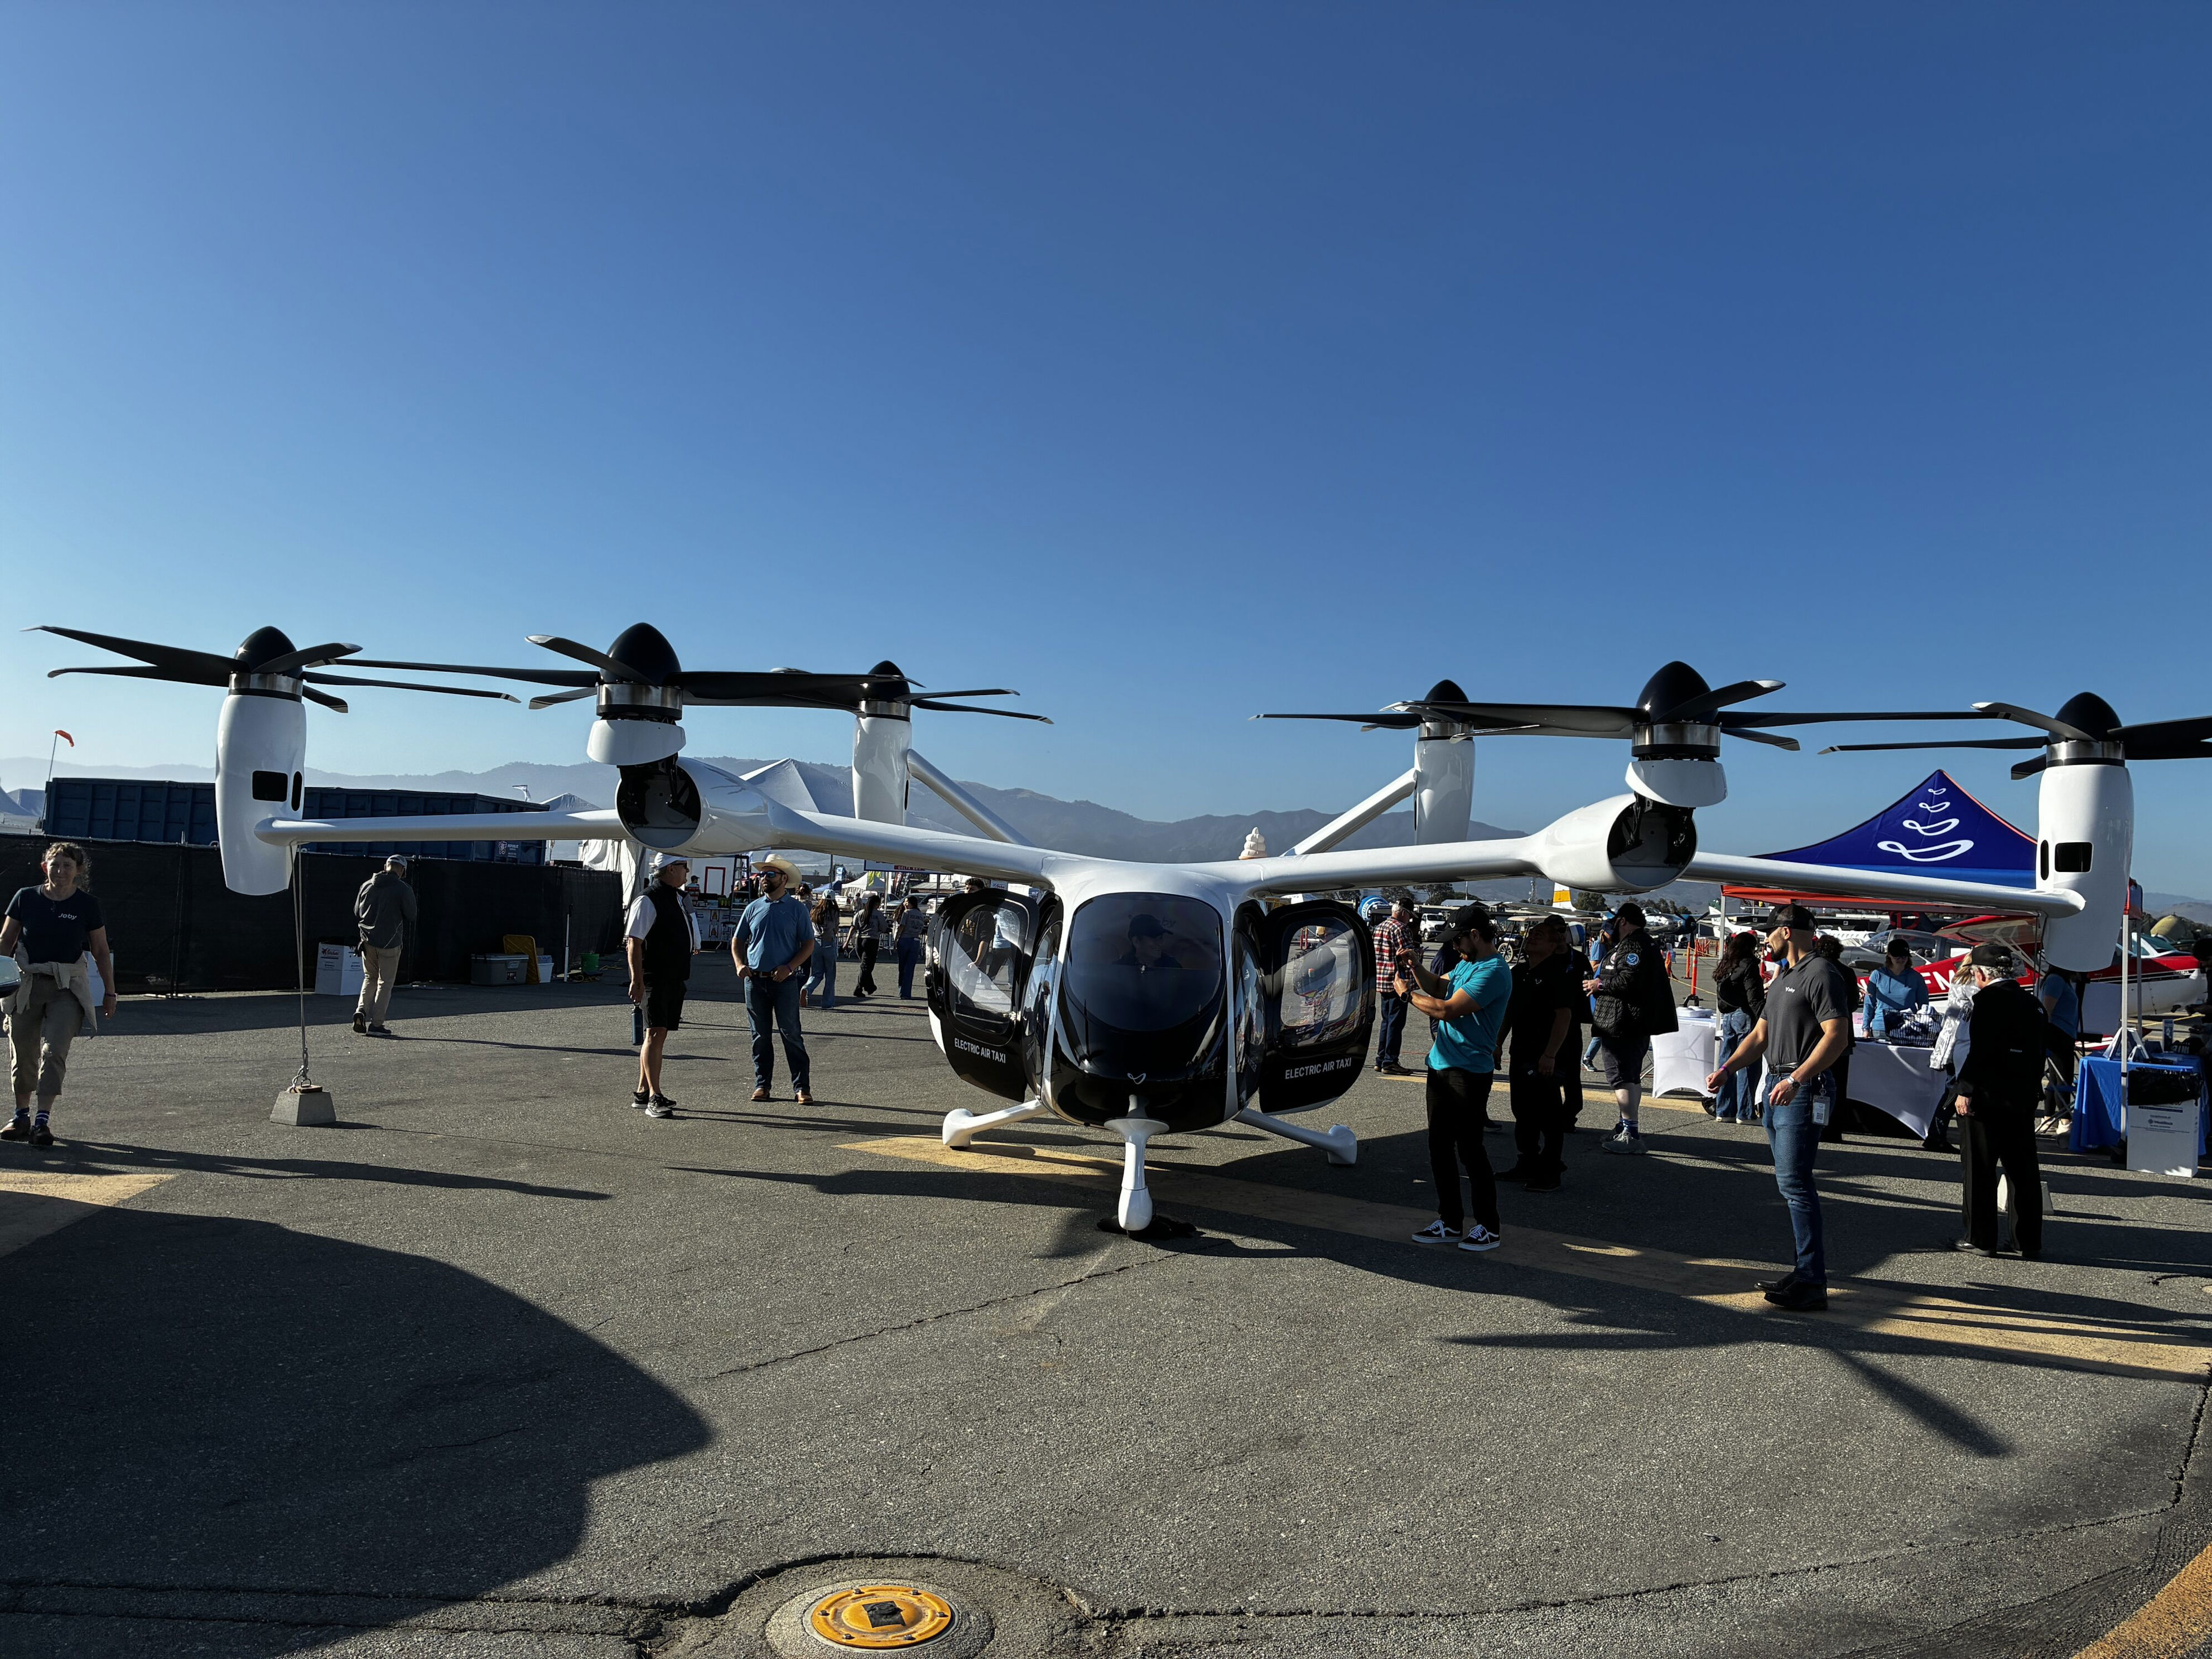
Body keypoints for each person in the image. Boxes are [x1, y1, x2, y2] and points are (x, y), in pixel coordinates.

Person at [1705, 904, 1852, 1313]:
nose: (1765, 938)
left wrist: (1796, 1079)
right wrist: (1728, 1068)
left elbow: (1836, 1036)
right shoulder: (1785, 975)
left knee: (1795, 1186)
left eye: (1770, 931)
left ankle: (1811, 1280)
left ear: (1787, 932)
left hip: (1799, 1088)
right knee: (1791, 1186)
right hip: (1779, 1084)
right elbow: (1761, 1033)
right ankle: (1803, 1271)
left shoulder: (1821, 972)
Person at [1397, 904, 1512, 1252]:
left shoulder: (1493, 971)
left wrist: (1406, 994)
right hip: (1441, 1064)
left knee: (1470, 1149)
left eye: (1458, 940)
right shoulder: (1467, 962)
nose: (1454, 947)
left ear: (1475, 935)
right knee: (1440, 1147)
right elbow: (1440, 987)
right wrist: (1416, 968)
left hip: (1468, 1072)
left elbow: (1446, 1009)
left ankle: (1488, 1227)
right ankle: (1449, 1221)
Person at [1, 842, 115, 1148]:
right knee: (23, 1051)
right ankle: (21, 1116)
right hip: (27, 984)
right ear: (44, 867)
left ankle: (42, 1121)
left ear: (78, 871)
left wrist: (110, 993)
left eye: (68, 865)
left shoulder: (87, 905)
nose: (61, 870)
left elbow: (101, 951)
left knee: (54, 1052)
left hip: (67, 988)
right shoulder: (26, 898)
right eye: (55, 864)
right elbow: (5, 941)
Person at [1950, 942, 2047, 1257]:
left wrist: (1964, 1089)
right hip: (2021, 1097)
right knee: (2023, 1170)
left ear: (1980, 974)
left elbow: (1979, 1051)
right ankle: (2027, 1241)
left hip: (1987, 1096)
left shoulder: (1986, 1002)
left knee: (1980, 1168)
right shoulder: (2034, 1005)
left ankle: (1980, 1238)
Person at [1583, 903, 1676, 1154]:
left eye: (1615, 921)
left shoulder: (1634, 945)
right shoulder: (1641, 943)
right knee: (1630, 1076)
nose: (1612, 925)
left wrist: (1599, 984)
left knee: (1622, 1076)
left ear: (1623, 921)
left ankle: (1631, 1133)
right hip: (1630, 1021)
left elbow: (1629, 980)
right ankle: (1626, 1126)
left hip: (1623, 1023)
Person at [1501, 914, 1579, 1191]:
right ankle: (1527, 1162)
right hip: (1520, 1053)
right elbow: (1509, 1012)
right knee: (1522, 1111)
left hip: (1546, 1056)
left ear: (1553, 944)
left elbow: (1564, 1017)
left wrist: (1550, 1055)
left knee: (1548, 1114)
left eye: (1540, 935)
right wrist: (1498, 1043)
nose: (1532, 937)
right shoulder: (1519, 973)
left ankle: (1551, 1171)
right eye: (1532, 933)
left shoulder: (1559, 974)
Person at [732, 854, 815, 1102]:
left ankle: (801, 1088)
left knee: (791, 1034)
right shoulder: (753, 907)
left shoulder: (797, 909)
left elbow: (809, 944)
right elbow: (737, 940)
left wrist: (790, 967)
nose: (764, 879)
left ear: (784, 879)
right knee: (760, 1035)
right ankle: (762, 1085)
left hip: (784, 982)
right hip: (755, 981)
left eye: (770, 874)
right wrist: (739, 964)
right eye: (762, 874)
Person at [624, 852, 698, 1118]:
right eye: (683, 866)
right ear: (669, 869)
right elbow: (634, 942)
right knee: (654, 1034)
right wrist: (637, 980)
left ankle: (643, 1092)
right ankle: (655, 1097)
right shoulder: (648, 899)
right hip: (656, 978)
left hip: (674, 977)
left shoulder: (677, 897)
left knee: (657, 1035)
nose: (687, 871)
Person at [351, 855, 417, 1036]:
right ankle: (377, 1025)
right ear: (402, 870)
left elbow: (357, 911)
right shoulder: (403, 889)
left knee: (369, 978)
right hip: (390, 943)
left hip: (367, 942)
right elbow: (412, 915)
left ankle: (361, 1010)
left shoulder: (367, 885)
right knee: (385, 983)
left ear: (385, 866)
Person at [1712, 931, 1766, 1124]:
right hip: (1745, 1014)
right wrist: (1763, 1018)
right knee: (1747, 1062)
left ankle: (1724, 1109)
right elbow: (1754, 995)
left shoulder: (1727, 963)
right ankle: (1745, 1112)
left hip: (1728, 1015)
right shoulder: (1749, 964)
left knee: (1726, 1062)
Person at [1814, 934, 1859, 1144]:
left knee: (1817, 1085)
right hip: (1843, 1036)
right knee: (1839, 1087)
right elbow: (1853, 1005)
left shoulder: (1816, 971)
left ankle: (1818, 1126)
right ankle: (1835, 1129)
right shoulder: (1848, 973)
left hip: (1818, 1037)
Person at [1371, 898, 1419, 1075]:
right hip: (1398, 982)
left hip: (1383, 981)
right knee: (1396, 1023)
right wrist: (1418, 954)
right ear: (1404, 913)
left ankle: (1381, 1059)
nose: (1410, 920)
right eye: (1410, 916)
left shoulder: (1380, 927)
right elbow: (1408, 956)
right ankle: (1390, 1061)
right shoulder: (1400, 928)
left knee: (1386, 1022)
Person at [2037, 959, 2081, 1135]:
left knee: (2056, 1078)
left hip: (2064, 1034)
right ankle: (2064, 1120)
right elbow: (2047, 1009)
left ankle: (2049, 1117)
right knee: (2064, 1078)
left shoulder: (2063, 981)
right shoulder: (2056, 980)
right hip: (2058, 1034)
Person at [1863, 937, 1929, 1039]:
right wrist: (1866, 1029)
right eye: (1896, 956)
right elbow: (1869, 1004)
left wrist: (1925, 1028)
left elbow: (1924, 1006)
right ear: (1889, 955)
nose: (1901, 959)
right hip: (1881, 1028)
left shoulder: (1916, 978)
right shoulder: (1877, 975)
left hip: (1908, 1028)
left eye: (1904, 956)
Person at [805, 887, 841, 1009]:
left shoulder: (815, 911)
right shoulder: (835, 912)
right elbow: (836, 929)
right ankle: (827, 1003)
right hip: (829, 943)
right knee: (830, 975)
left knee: (816, 973)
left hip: (816, 943)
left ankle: (807, 989)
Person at [850, 892, 888, 998]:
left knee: (865, 965)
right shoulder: (878, 914)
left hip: (859, 939)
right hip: (872, 940)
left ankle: (870, 987)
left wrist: (847, 941)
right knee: (867, 966)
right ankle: (859, 989)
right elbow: (884, 928)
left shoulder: (860, 913)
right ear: (876, 904)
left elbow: (854, 926)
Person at [895, 895, 928, 998]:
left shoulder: (907, 913)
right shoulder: (921, 915)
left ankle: (902, 990)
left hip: (905, 939)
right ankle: (907, 993)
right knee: (910, 968)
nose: (905, 904)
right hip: (916, 941)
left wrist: (896, 939)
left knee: (902, 967)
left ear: (910, 903)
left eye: (906, 902)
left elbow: (902, 926)